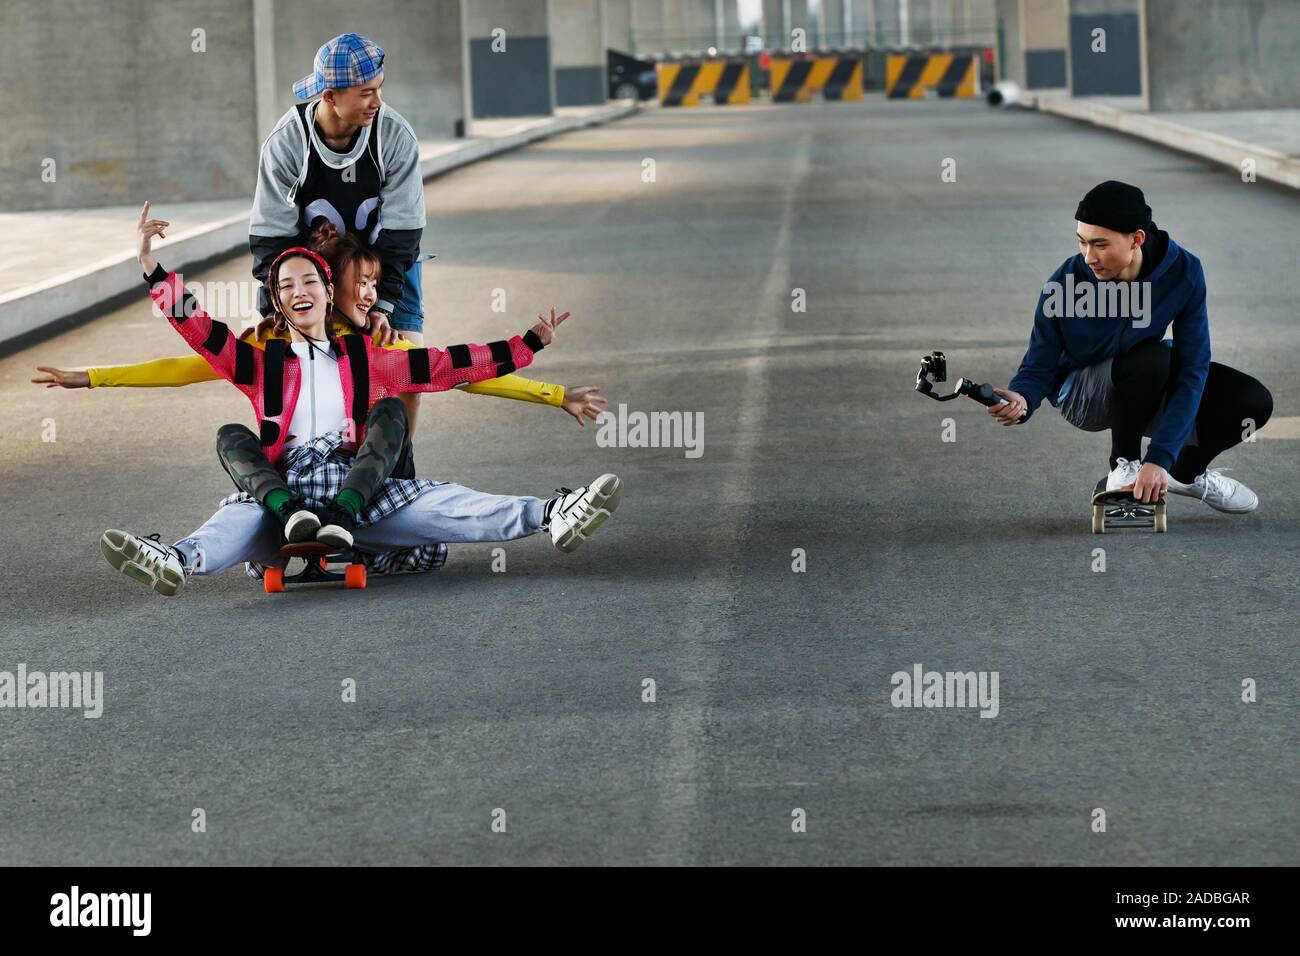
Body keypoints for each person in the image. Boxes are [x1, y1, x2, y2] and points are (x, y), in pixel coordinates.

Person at [98, 203, 623, 596]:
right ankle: (173, 559)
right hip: (282, 500)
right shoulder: (260, 363)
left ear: (328, 292)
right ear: (279, 304)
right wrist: (151, 267)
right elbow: (199, 329)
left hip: (360, 492)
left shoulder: (370, 357)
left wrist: (526, 344)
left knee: (438, 483)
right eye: (285, 286)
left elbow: (449, 364)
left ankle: (554, 513)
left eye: (309, 280)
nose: (298, 290)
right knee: (231, 443)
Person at [989, 181, 1272, 510]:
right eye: (1081, 242)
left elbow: (1193, 367)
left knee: (1250, 400)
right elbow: (1039, 365)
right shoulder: (1066, 282)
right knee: (1151, 358)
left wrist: (1161, 458)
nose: (1088, 257)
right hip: (1082, 392)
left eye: (1100, 245)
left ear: (1137, 239)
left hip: (1146, 382)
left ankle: (1185, 473)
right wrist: (1021, 398)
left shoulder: (1184, 272)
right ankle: (1124, 465)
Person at [249, 32, 431, 466]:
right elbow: (272, 237)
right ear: (330, 96)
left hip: (387, 265)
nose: (377, 101)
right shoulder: (286, 143)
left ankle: (394, 472)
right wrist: (278, 303)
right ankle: (305, 473)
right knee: (288, 368)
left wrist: (382, 302)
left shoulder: (395, 135)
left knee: (407, 372)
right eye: (366, 92)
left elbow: (404, 230)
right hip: (313, 268)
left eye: (380, 89)